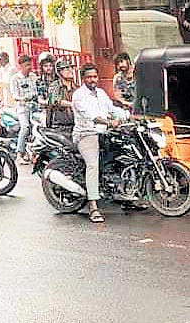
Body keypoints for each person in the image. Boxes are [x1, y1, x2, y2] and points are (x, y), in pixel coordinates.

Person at [72, 63, 130, 224]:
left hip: (104, 132)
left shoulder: (101, 93)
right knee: (93, 165)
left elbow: (112, 109)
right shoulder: (78, 96)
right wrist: (109, 122)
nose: (92, 80)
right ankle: (93, 206)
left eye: (95, 77)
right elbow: (90, 116)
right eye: (89, 77)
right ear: (83, 78)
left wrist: (128, 115)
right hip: (86, 133)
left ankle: (127, 196)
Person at [9, 54, 38, 164]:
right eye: (26, 65)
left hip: (35, 107)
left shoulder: (33, 77)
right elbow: (14, 95)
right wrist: (24, 98)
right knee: (25, 128)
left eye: (30, 65)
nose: (29, 67)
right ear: (20, 66)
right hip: (23, 108)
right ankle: (19, 154)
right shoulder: (15, 79)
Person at [47, 59, 77, 130]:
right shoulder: (54, 86)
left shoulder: (76, 87)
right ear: (59, 72)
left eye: (70, 68)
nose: (70, 70)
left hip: (75, 126)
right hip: (59, 127)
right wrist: (72, 104)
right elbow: (55, 100)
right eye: (66, 68)